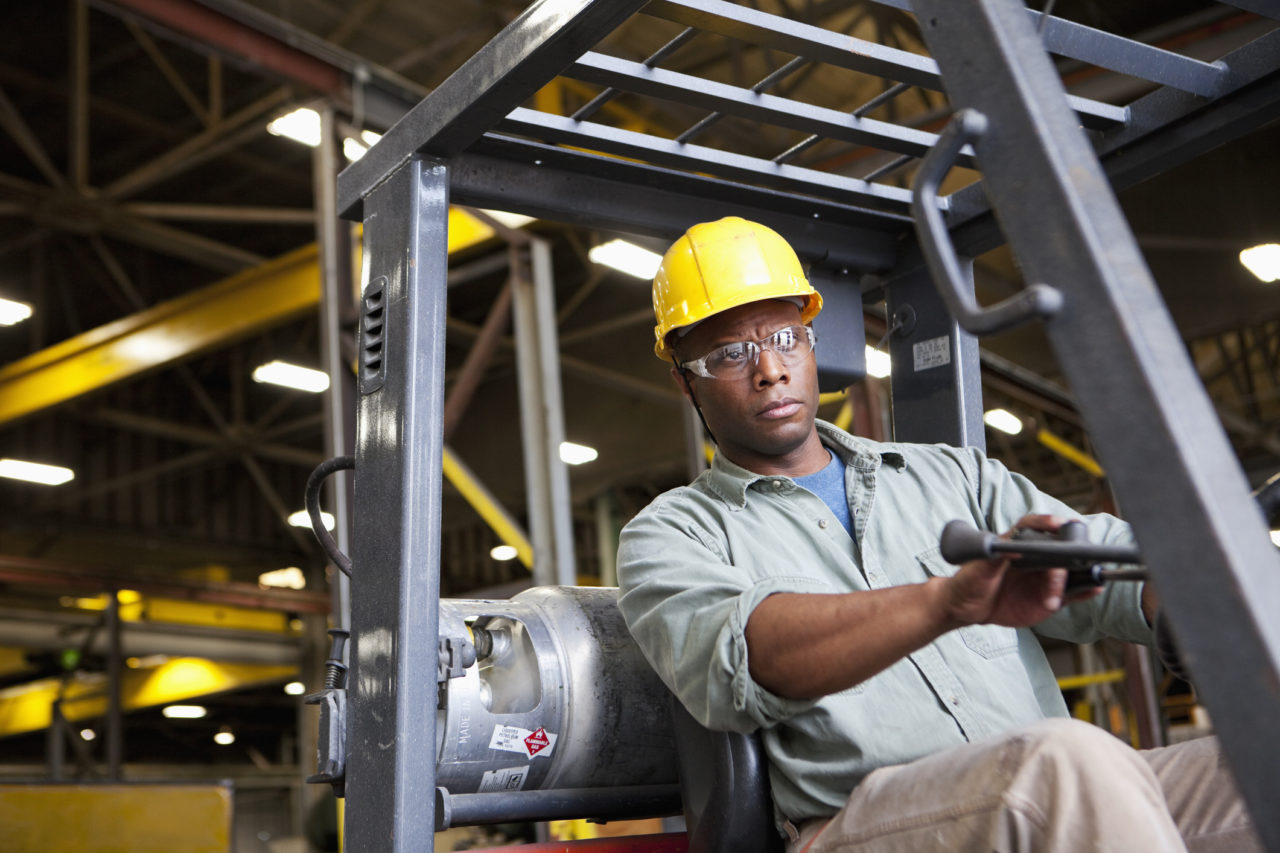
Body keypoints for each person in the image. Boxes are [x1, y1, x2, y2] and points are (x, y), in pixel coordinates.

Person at [615, 217, 1260, 852]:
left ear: (813, 343)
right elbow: (748, 662)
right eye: (731, 353)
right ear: (684, 379)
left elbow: (1108, 561)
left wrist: (1195, 598)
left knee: (1255, 764)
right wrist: (946, 601)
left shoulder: (951, 476)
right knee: (1063, 763)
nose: (770, 370)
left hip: (1047, 791)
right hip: (859, 825)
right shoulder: (672, 535)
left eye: (786, 337)